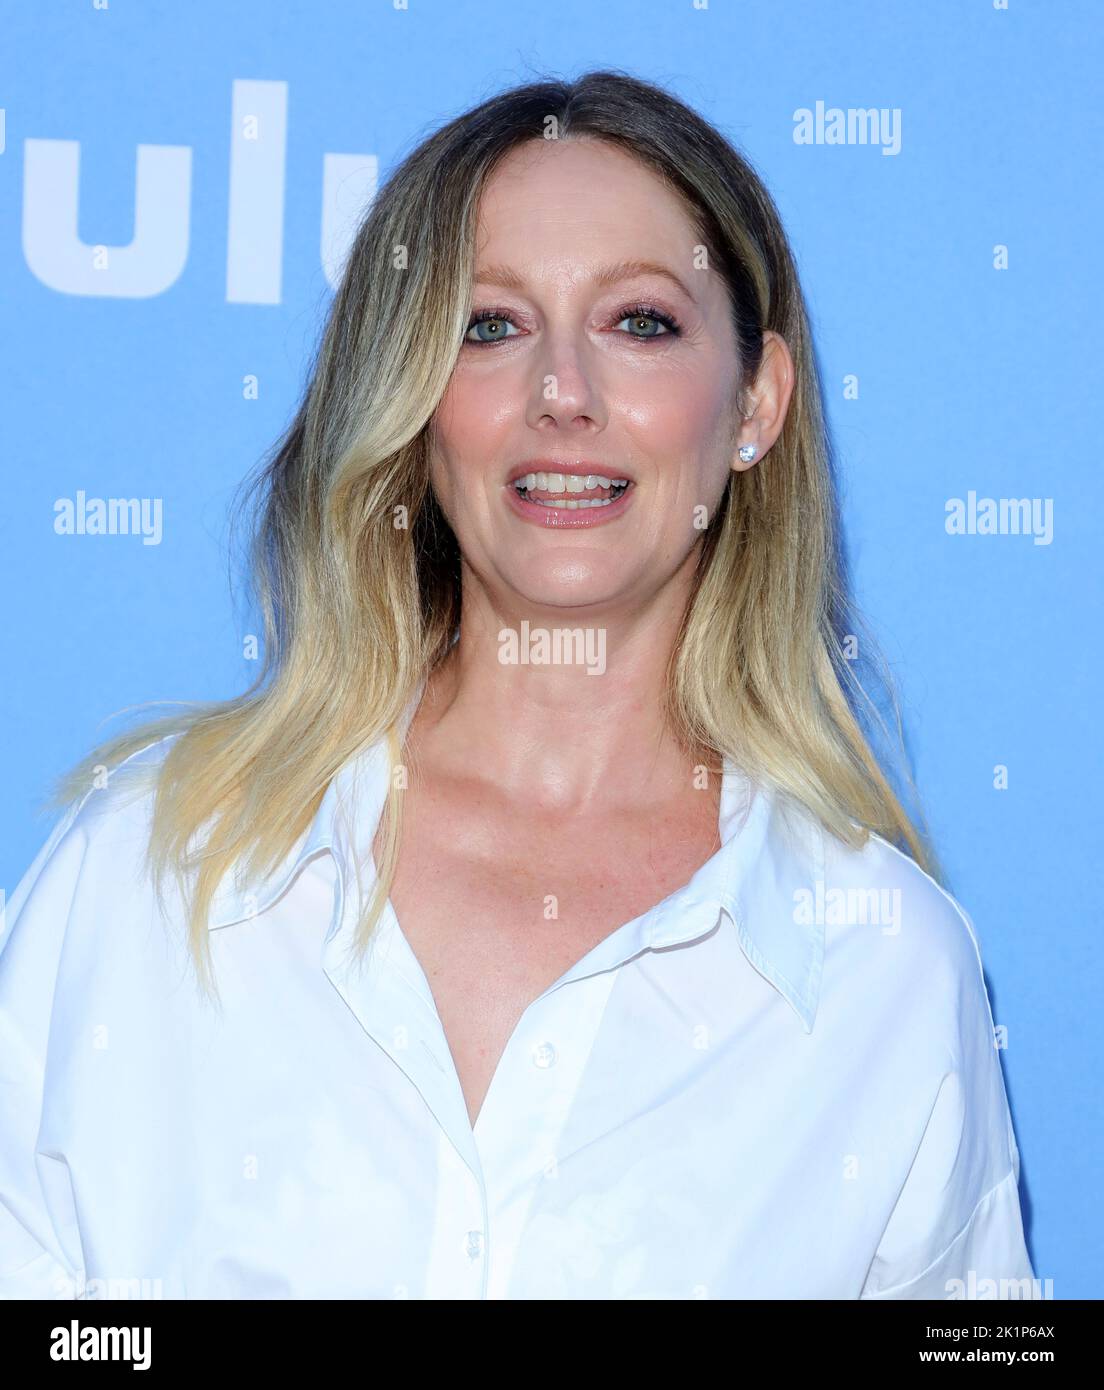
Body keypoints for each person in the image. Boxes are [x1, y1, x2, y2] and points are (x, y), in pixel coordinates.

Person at [0, 70, 1035, 1300]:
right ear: (412, 398)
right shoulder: (146, 878)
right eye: (489, 326)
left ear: (756, 402)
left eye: (640, 322)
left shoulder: (886, 971)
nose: (563, 394)